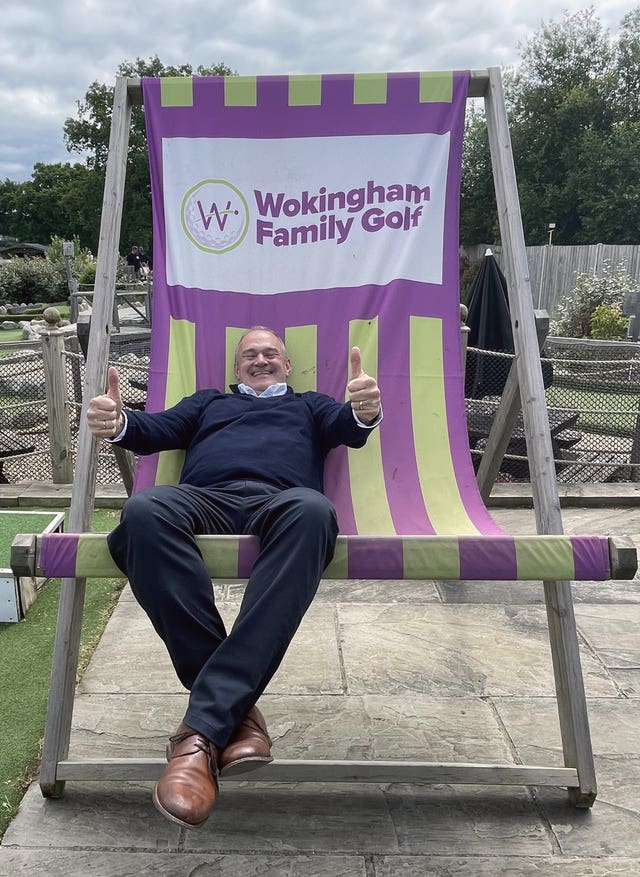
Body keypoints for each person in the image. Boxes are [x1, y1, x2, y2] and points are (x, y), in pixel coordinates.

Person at [86, 326, 382, 829]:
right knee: (143, 511)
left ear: (287, 366)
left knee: (314, 512)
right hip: (206, 499)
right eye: (250, 354)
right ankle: (233, 715)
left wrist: (364, 410)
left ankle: (199, 738)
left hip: (282, 501)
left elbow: (349, 427)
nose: (261, 359)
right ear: (236, 368)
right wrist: (117, 422)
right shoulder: (207, 404)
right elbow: (151, 429)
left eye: (271, 354)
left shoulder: (310, 405)